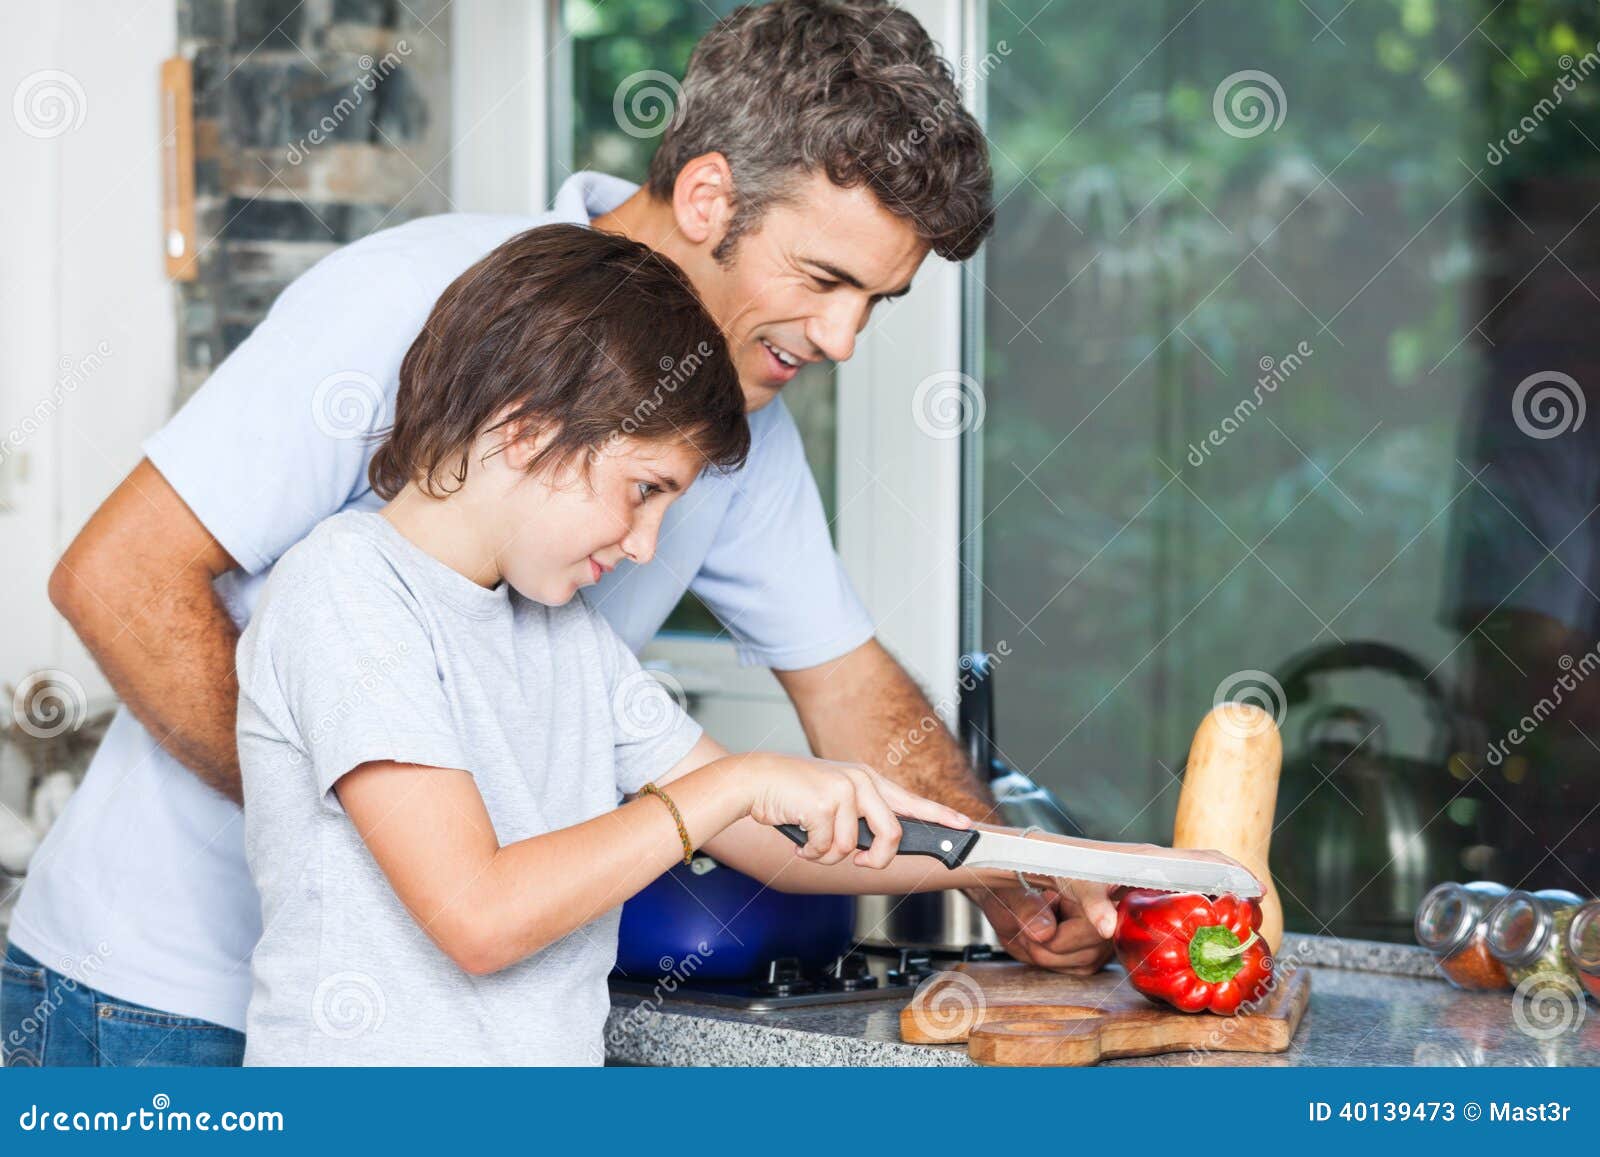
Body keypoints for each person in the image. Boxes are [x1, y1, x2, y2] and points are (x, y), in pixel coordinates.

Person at [4, 0, 1110, 1067]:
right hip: (157, 989)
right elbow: (118, 576)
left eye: (879, 300)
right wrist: (398, 830)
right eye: (824, 279)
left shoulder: (735, 431)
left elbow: (847, 690)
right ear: (709, 196)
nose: (842, 338)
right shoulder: (418, 299)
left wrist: (1004, 878)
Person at [239, 223, 1192, 1065]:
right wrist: (734, 782)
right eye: (645, 488)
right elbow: (479, 917)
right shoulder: (348, 591)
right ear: (524, 433)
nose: (648, 544)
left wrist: (1016, 856)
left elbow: (771, 843)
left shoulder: (564, 635)